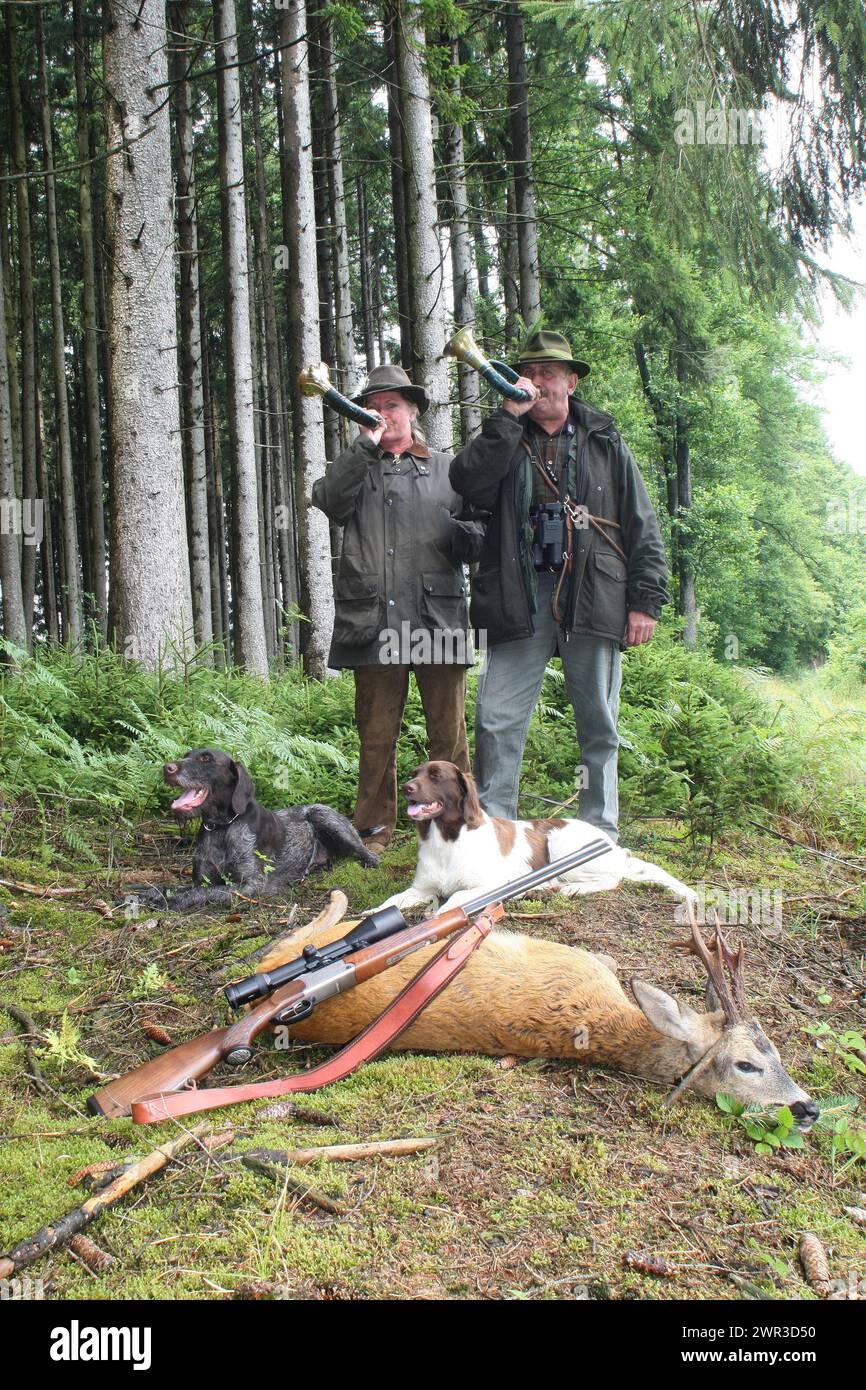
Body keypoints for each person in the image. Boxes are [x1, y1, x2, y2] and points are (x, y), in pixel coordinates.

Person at [449, 330, 669, 840]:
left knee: (598, 723)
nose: (540, 381)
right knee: (497, 720)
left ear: (571, 381)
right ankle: (494, 832)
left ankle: (599, 831)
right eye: (531, 371)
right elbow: (468, 483)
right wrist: (507, 419)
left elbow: (642, 524)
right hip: (517, 598)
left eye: (550, 372)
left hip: (592, 596)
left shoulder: (606, 442)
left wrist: (645, 602)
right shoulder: (505, 436)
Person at [312, 364, 484, 853]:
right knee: (376, 735)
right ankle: (372, 833)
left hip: (438, 619)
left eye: (392, 405)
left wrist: (464, 535)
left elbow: (479, 533)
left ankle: (456, 829)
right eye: (374, 407)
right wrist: (364, 445)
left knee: (448, 738)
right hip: (373, 622)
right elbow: (327, 501)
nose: (383, 414)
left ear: (412, 411)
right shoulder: (356, 466)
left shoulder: (450, 470)